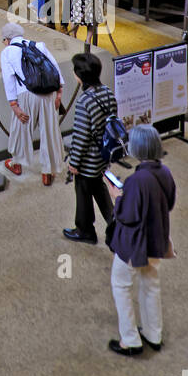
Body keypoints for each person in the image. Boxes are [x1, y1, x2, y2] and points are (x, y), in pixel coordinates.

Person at [106, 124, 176, 356]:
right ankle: (153, 333)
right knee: (150, 285)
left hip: (134, 244)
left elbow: (127, 214)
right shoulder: (165, 173)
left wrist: (116, 197)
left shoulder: (137, 180)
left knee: (121, 285)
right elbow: (170, 203)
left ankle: (130, 340)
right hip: (157, 239)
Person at [0, 23, 64, 185]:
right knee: (49, 131)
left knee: (20, 127)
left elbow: (9, 79)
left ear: (7, 39)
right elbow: (54, 68)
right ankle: (47, 172)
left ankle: (17, 164)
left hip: (26, 94)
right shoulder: (39, 46)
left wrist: (14, 104)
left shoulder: (8, 52)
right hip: (49, 93)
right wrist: (59, 93)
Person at [64, 52, 117, 244]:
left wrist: (74, 162)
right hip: (103, 155)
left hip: (87, 158)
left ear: (80, 75)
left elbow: (81, 135)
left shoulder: (84, 101)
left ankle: (85, 230)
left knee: (83, 191)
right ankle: (115, 222)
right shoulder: (107, 92)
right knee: (99, 189)